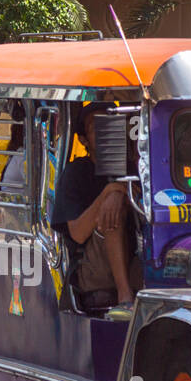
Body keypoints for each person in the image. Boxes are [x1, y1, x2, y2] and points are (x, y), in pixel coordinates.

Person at [50, 103, 142, 321]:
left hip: (136, 255)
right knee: (110, 210)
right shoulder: (75, 172)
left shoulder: (132, 167)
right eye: (95, 126)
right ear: (84, 140)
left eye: (108, 123)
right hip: (93, 270)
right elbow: (78, 233)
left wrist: (121, 193)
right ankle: (125, 298)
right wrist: (110, 193)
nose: (104, 129)